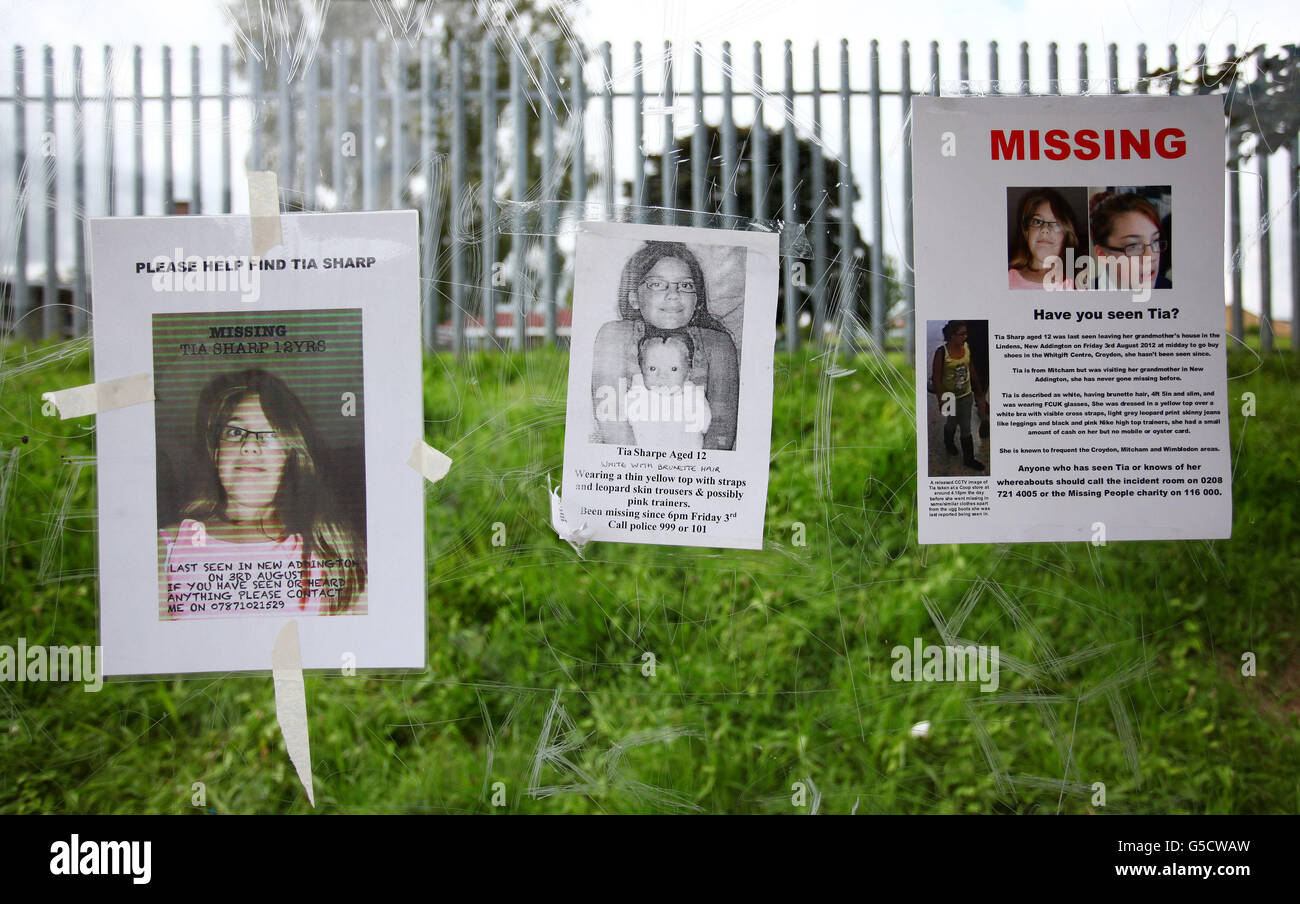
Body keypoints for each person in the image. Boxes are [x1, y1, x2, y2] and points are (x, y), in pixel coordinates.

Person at [158, 368, 365, 618]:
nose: (250, 446)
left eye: (270, 435)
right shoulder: (167, 548)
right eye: (235, 432)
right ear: (215, 451)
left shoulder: (329, 546)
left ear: (291, 454)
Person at [591, 241, 739, 450]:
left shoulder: (717, 344)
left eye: (686, 285)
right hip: (627, 471)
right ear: (634, 298)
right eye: (657, 284)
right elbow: (611, 420)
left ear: (697, 300)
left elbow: (722, 429)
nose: (673, 294)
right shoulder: (615, 336)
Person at [624, 333, 712, 450]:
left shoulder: (694, 395)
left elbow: (704, 425)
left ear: (688, 372)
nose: (662, 376)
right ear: (642, 369)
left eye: (673, 369)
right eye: (652, 368)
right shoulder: (637, 392)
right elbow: (625, 419)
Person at [931, 321, 988, 471]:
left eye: (966, 334)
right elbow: (936, 378)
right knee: (951, 423)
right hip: (949, 395)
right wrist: (941, 399)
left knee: (965, 426)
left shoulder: (966, 348)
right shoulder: (941, 353)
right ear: (951, 335)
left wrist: (978, 389)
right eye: (962, 334)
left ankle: (969, 458)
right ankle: (948, 442)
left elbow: (971, 368)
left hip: (965, 395)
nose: (965, 337)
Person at [1089, 191, 1171, 291]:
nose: (1151, 257)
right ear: (1102, 255)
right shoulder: (1083, 297)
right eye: (1134, 246)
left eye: (1155, 241)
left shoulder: (1168, 287)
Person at [1008, 189, 1084, 290]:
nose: (1045, 229)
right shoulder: (1007, 278)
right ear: (1027, 233)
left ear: (1066, 236)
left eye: (1056, 224)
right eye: (1038, 222)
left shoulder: (1079, 282)